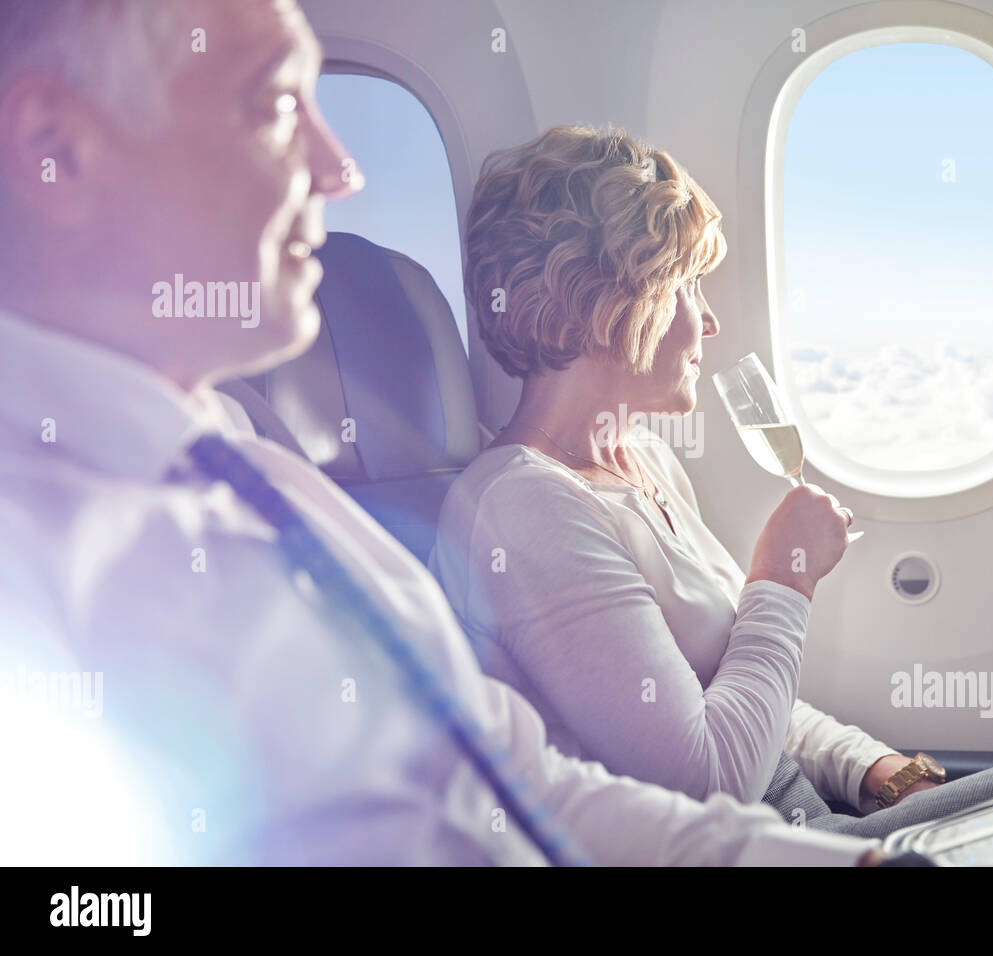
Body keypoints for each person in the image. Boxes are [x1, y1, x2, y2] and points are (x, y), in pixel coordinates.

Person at [0, 0, 896, 866]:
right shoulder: (38, 550)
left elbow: (523, 785)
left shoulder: (261, 479)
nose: (341, 169)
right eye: (275, 104)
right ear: (55, 150)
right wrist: (784, 584)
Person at [432, 124, 993, 839]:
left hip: (826, 824)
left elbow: (736, 689)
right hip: (767, 847)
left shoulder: (642, 462)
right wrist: (783, 580)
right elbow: (708, 778)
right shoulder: (525, 508)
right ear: (607, 300)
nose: (712, 318)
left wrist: (877, 770)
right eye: (686, 284)